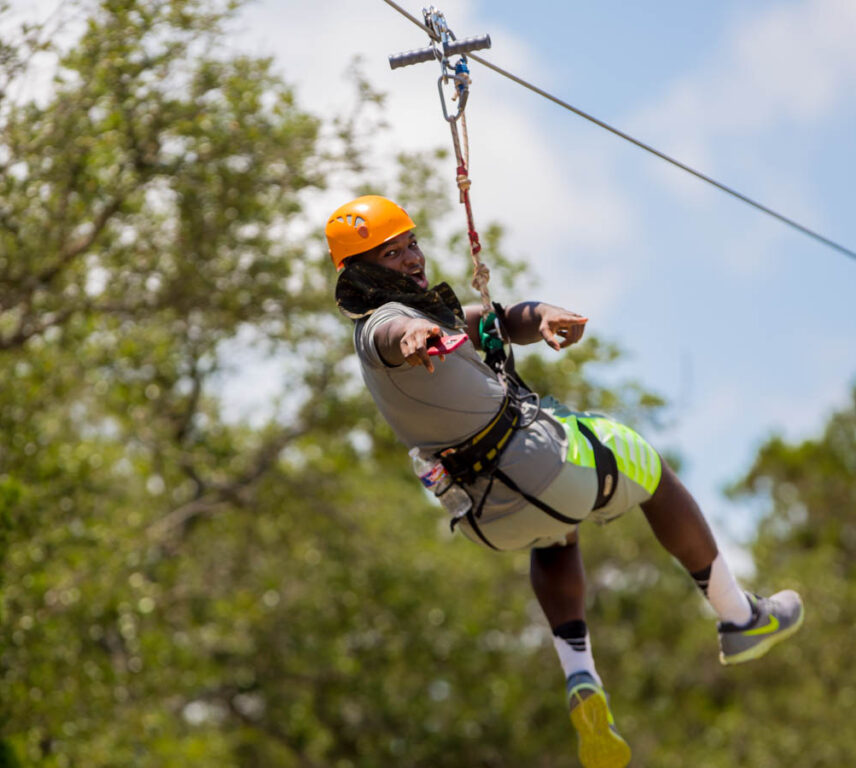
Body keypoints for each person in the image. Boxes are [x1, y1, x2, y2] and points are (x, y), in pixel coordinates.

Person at [327, 195, 804, 768]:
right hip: (538, 465)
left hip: (486, 514)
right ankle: (739, 617)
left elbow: (499, 321)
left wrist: (543, 314)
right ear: (360, 273)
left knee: (556, 536)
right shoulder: (387, 326)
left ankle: (581, 678)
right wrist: (413, 340)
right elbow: (394, 332)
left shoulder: (438, 323)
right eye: (390, 254)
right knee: (648, 466)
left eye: (410, 244)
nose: (410, 259)